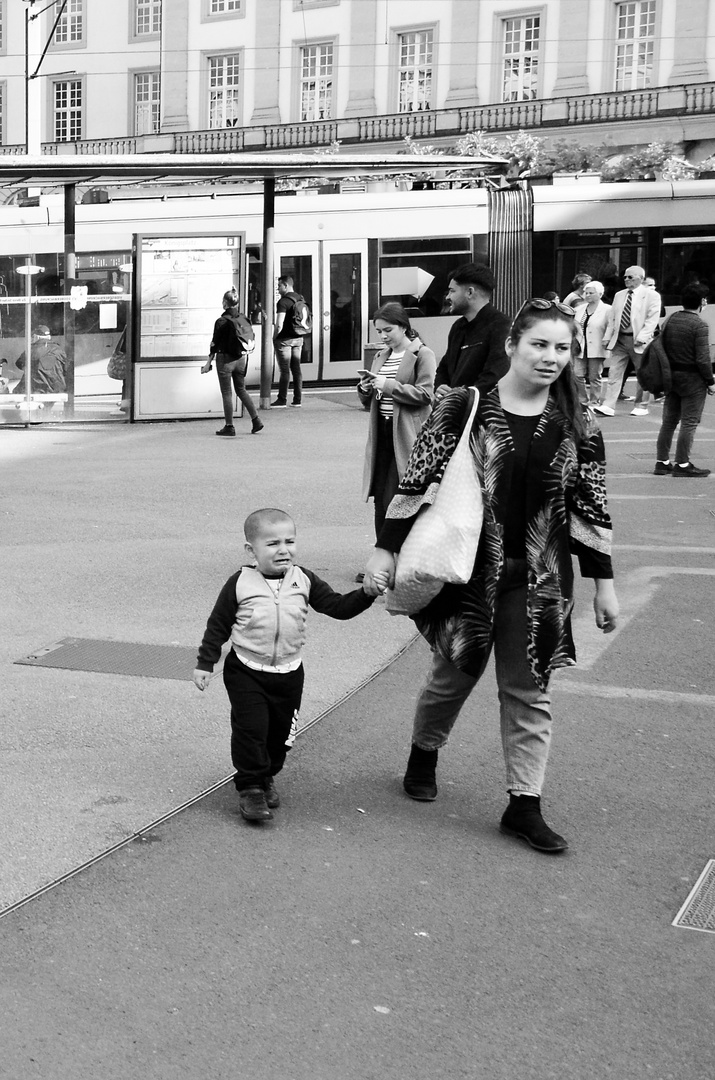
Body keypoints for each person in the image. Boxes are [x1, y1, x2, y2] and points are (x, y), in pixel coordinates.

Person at [364, 298, 619, 854]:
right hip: (469, 574)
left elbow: (589, 505)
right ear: (512, 346)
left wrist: (604, 582)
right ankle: (424, 750)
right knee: (455, 673)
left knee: (528, 691)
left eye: (562, 348)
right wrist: (386, 549)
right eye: (540, 345)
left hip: (542, 579)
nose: (551, 357)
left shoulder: (576, 421)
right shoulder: (463, 404)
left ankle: (523, 804)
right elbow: (417, 477)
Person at [193, 508, 388, 823]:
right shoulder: (240, 583)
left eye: (289, 541)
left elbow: (338, 607)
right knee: (251, 729)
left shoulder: (304, 579)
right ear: (251, 550)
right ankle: (251, 787)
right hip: (246, 670)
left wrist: (366, 594)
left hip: (288, 673)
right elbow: (218, 625)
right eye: (272, 544)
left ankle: (267, 773)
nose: (283, 549)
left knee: (281, 737)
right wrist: (205, 663)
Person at [358, 303, 436, 536]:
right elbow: (370, 402)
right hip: (381, 431)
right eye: (379, 331)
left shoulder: (423, 354)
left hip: (406, 434)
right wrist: (365, 389)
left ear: (403, 327)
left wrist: (388, 385)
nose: (383, 336)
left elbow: (426, 395)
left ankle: (395, 557)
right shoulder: (381, 356)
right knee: (379, 495)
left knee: (396, 495)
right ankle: (382, 559)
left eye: (388, 330)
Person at [654, 284, 714, 478]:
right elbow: (703, 359)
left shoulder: (670, 319)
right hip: (693, 380)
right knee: (689, 422)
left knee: (669, 422)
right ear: (702, 302)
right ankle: (682, 463)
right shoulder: (700, 325)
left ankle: (662, 462)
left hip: (671, 377)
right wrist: (710, 380)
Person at [432, 263, 511, 401]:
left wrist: (462, 400)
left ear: (469, 292)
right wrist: (440, 386)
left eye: (452, 291)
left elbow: (494, 377)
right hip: (455, 413)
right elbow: (444, 366)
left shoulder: (501, 326)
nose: (447, 297)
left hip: (482, 416)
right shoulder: (458, 326)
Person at [594, 266, 662, 418]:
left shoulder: (651, 296)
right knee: (614, 372)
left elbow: (652, 319)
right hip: (620, 339)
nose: (626, 280)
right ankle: (608, 405)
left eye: (630, 277)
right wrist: (607, 336)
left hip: (638, 339)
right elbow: (613, 318)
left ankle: (641, 405)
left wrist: (643, 337)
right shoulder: (619, 295)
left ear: (640, 278)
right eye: (625, 277)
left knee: (642, 373)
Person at [202, 288, 263, 437]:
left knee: (227, 393)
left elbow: (214, 344)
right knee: (241, 390)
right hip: (241, 359)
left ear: (225, 303)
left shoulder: (221, 321)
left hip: (225, 360)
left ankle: (229, 426)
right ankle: (256, 420)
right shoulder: (244, 318)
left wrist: (208, 363)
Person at [271, 275, 306, 408]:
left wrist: (274, 337)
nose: (278, 289)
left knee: (284, 370)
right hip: (298, 338)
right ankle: (297, 399)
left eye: (279, 286)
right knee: (296, 369)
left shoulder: (283, 302)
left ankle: (282, 399)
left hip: (285, 340)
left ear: (286, 285)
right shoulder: (301, 298)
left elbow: (279, 324)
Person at [575, 281, 611, 405]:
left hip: (597, 346)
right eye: (586, 292)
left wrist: (607, 340)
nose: (588, 295)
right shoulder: (579, 309)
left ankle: (594, 401)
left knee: (594, 376)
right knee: (577, 374)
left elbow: (611, 326)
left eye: (591, 293)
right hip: (580, 347)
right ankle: (582, 400)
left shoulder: (607, 309)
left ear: (600, 294)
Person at [14, 325, 67, 394]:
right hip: (57, 389)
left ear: (35, 336)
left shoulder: (31, 350)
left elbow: (19, 364)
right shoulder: (59, 350)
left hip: (36, 389)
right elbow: (66, 369)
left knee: (17, 391)